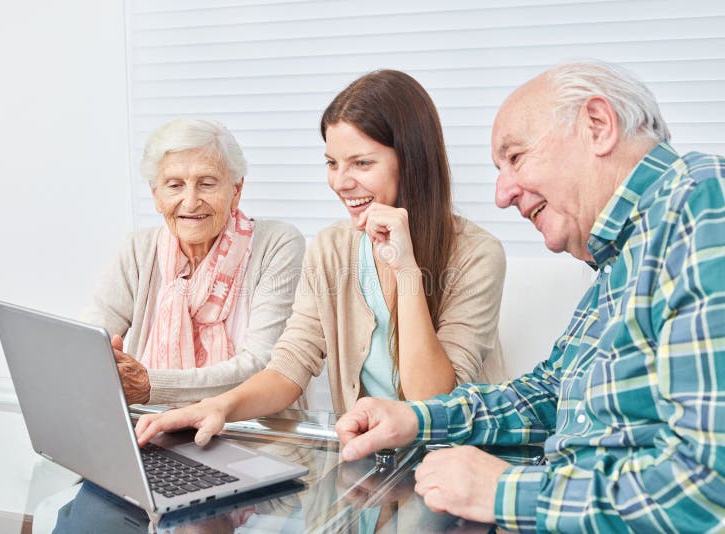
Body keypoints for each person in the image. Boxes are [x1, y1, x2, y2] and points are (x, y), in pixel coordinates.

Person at [334, 60, 725, 532]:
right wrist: (417, 419)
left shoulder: (703, 207)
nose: (502, 194)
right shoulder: (624, 252)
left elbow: (707, 488)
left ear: (597, 126)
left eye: (515, 157)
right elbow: (550, 394)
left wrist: (501, 491)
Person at [135, 70, 508, 445]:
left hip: (454, 457)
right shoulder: (332, 247)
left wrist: (405, 268)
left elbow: (431, 401)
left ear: (412, 160)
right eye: (332, 163)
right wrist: (220, 406)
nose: (341, 182)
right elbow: (290, 365)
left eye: (361, 163)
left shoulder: (478, 255)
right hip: (369, 456)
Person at [81, 118, 305, 405]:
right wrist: (102, 358)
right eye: (174, 185)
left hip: (252, 431)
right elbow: (89, 339)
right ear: (156, 195)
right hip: (154, 427)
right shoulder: (139, 249)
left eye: (207, 183)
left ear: (236, 190)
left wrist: (154, 385)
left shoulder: (277, 243)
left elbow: (265, 367)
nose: (190, 201)